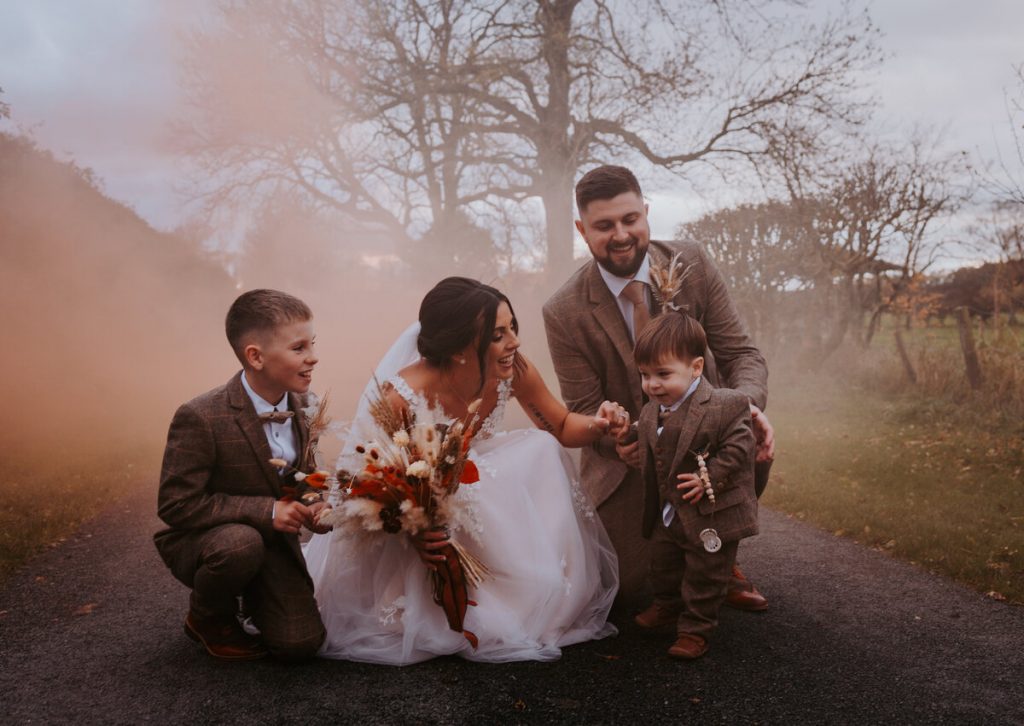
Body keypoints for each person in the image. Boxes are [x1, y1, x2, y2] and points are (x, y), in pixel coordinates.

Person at [303, 277, 625, 664]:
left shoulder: (514, 369)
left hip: (482, 483)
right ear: (458, 348)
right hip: (427, 511)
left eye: (512, 328)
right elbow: (365, 484)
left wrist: (600, 424)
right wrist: (414, 529)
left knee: (540, 448)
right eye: (497, 335)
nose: (514, 343)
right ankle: (472, 602)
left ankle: (533, 588)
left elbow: (560, 426)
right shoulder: (401, 397)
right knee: (466, 486)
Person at [543, 164, 773, 609]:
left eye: (630, 219)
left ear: (646, 213)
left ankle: (716, 554)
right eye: (604, 226)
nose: (621, 235)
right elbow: (584, 406)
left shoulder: (693, 263)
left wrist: (745, 409)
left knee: (746, 434)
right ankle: (684, 556)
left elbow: (743, 355)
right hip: (628, 464)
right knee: (630, 589)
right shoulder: (563, 311)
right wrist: (614, 440)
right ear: (582, 230)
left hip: (706, 438)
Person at [154, 289, 330, 661]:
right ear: (256, 356)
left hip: (273, 543)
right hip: (217, 542)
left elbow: (305, 477)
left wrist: (316, 506)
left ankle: (259, 597)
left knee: (301, 645)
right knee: (240, 546)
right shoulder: (200, 416)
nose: (313, 357)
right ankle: (208, 616)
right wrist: (267, 511)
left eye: (312, 344)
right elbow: (176, 504)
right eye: (299, 348)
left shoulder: (307, 405)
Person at [630, 313, 758, 659]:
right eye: (645, 375)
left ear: (696, 367)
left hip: (709, 515)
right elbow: (648, 440)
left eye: (663, 374)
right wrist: (619, 430)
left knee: (706, 574)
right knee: (662, 565)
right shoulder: (650, 411)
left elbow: (741, 447)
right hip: (668, 515)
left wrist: (709, 475)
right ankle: (668, 606)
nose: (652, 384)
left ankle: (695, 628)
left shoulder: (725, 404)